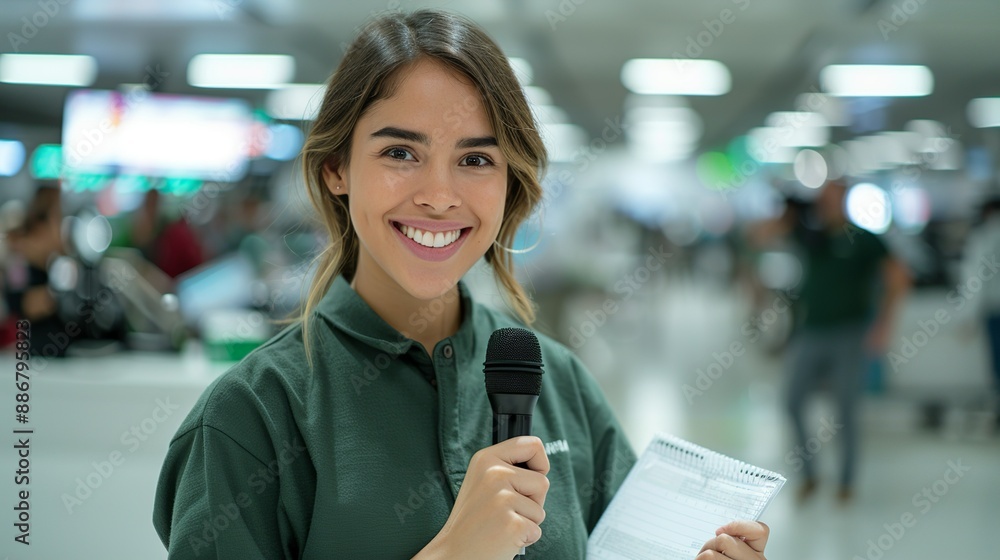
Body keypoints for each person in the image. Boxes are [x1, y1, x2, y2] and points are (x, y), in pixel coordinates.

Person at [153, 10, 771, 559]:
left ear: (510, 186)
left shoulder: (560, 385)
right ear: (337, 169)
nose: (439, 196)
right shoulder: (253, 416)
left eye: (476, 160)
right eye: (400, 152)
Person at [752, 180, 910, 504]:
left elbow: (898, 278)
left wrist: (883, 324)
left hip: (848, 334)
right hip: (811, 331)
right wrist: (790, 213)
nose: (827, 206)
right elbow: (758, 236)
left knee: (845, 409)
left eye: (833, 199)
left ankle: (846, 482)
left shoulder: (864, 240)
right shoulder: (813, 237)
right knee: (792, 400)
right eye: (822, 200)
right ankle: (810, 475)